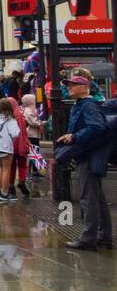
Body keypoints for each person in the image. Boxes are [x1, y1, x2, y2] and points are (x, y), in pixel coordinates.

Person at [57, 73, 112, 250]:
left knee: (88, 198)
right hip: (87, 154)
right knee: (97, 198)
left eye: (73, 84)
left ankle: (89, 238)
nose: (69, 87)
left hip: (87, 155)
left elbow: (97, 127)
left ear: (85, 87)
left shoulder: (87, 105)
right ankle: (104, 237)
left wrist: (74, 136)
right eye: (68, 84)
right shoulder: (82, 105)